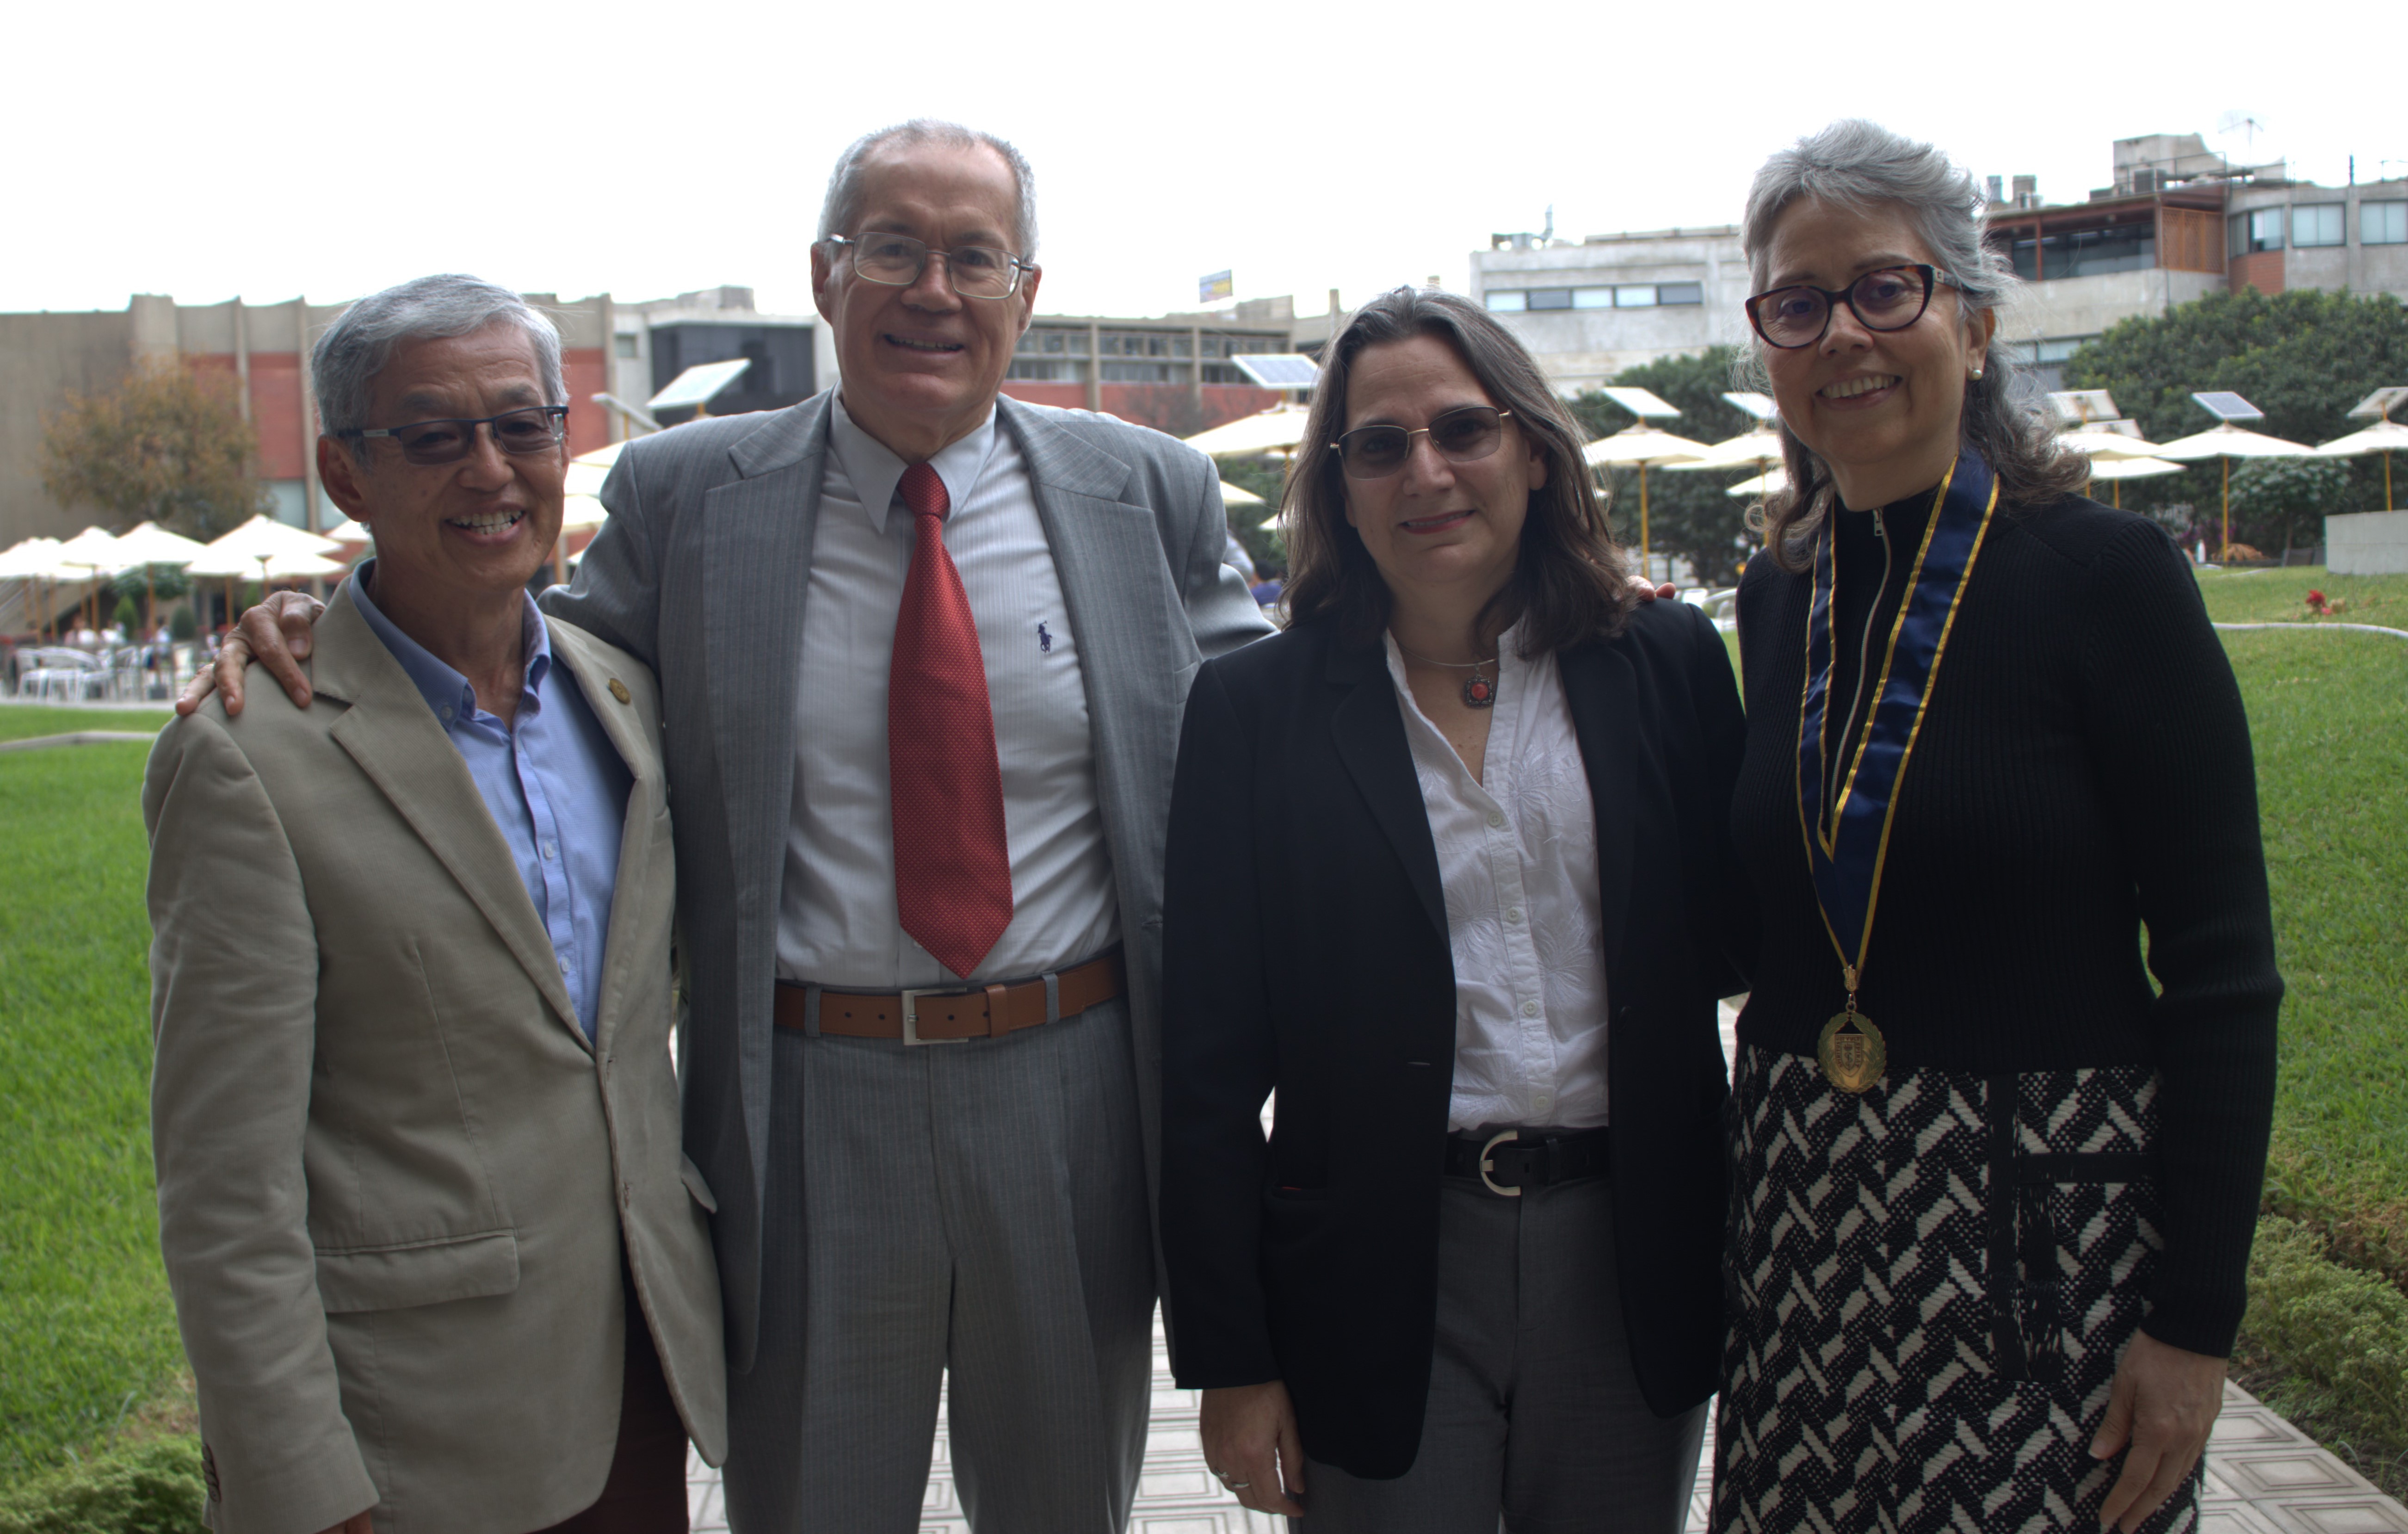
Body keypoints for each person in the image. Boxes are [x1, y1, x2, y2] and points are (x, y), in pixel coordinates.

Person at [185, 121, 1273, 1534]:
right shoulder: (686, 495)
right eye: (891, 247)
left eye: (972, 256)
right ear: (825, 276)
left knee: (1067, 1505)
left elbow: (1279, 732)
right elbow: (512, 656)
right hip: (804, 1102)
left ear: (1027, 289)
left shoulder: (1150, 493)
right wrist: (323, 622)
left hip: (1073, 1090)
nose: (930, 289)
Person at [1714, 121, 2281, 1534]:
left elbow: (2224, 974)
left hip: (2046, 1267)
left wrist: (2196, 1328)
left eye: (1883, 288)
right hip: (1808, 1258)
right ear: (1769, 347)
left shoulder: (2111, 582)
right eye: (1798, 302)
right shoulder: (1779, 598)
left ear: (1970, 320)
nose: (1843, 331)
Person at [1158, 287, 1747, 1532]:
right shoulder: (1253, 717)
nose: (1425, 470)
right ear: (1340, 483)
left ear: (1531, 448)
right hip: (1377, 1265)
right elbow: (1205, 1068)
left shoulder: (1667, 666)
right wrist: (1231, 1358)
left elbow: (1743, 938)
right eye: (1381, 444)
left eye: (1463, 430)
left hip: (1627, 1250)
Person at [145, 275, 725, 1534]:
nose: (490, 469)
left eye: (523, 426)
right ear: (347, 474)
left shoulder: (622, 694)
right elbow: (223, 1187)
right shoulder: (251, 757)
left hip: (640, 1380)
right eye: (432, 434)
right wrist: (302, 1485)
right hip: (413, 1435)